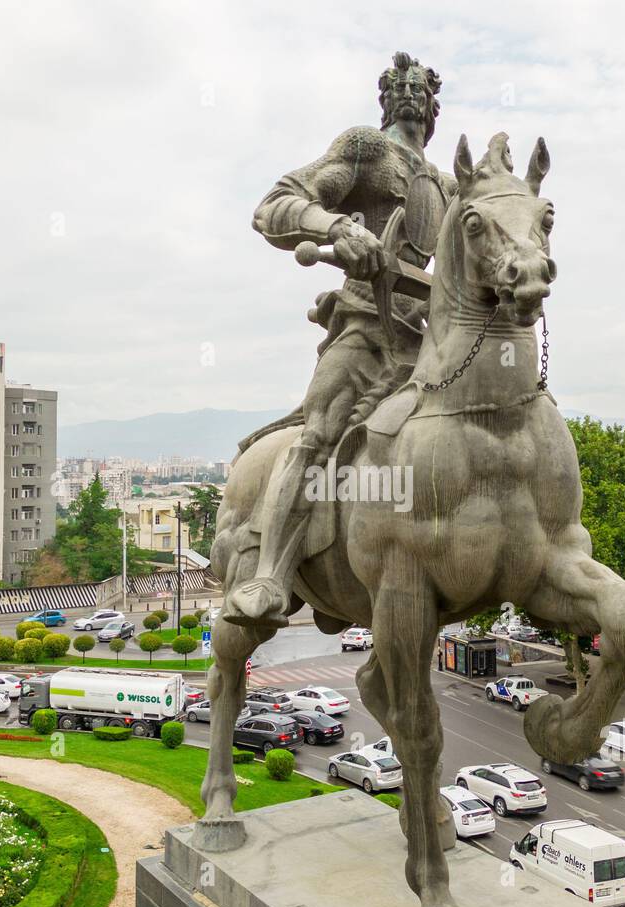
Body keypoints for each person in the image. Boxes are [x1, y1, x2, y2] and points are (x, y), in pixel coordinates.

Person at [223, 52, 456, 629]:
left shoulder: (451, 187)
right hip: (365, 326)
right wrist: (338, 227)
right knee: (321, 434)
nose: (408, 94)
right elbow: (274, 206)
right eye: (397, 87)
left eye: (418, 87)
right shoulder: (365, 148)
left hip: (433, 343)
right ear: (385, 100)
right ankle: (272, 573)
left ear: (434, 103)